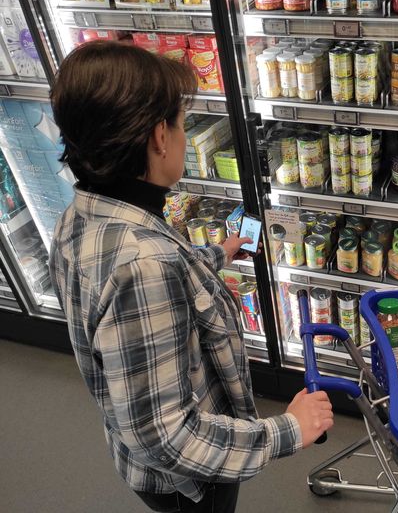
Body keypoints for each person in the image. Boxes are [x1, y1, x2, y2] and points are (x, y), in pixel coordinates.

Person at [48, 41, 333, 513]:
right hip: (188, 484)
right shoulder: (143, 266)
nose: (183, 135)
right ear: (160, 137)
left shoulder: (84, 217)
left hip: (140, 456)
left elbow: (148, 278)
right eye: (182, 124)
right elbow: (165, 437)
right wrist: (290, 429)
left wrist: (215, 253)